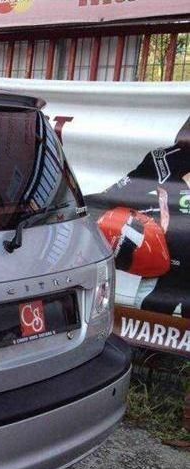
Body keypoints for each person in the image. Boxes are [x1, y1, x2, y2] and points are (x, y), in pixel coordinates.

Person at [92, 115, 190, 318]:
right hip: (167, 271)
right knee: (145, 332)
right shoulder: (167, 159)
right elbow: (114, 196)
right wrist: (75, 206)